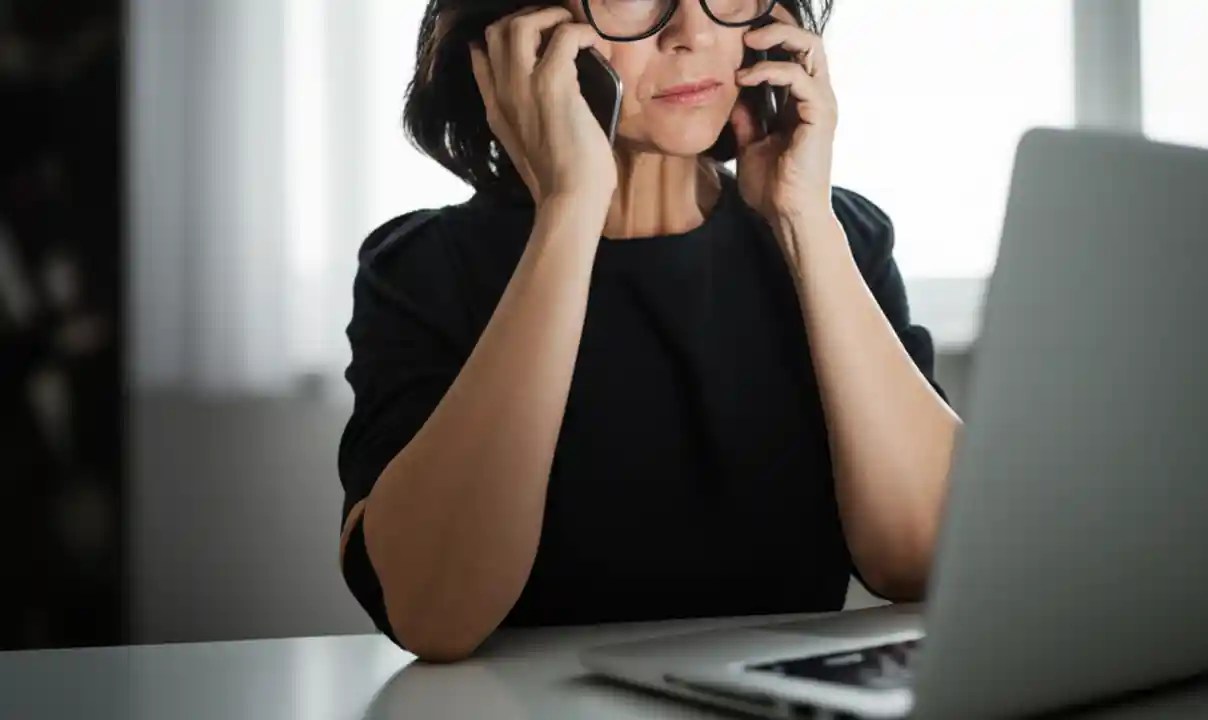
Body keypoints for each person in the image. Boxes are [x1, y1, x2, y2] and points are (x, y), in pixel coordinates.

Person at [337, 0, 960, 663]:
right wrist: (570, 209)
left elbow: (927, 561)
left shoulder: (840, 239)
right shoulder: (426, 270)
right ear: (528, 34)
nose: (692, 34)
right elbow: (432, 615)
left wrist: (804, 220)